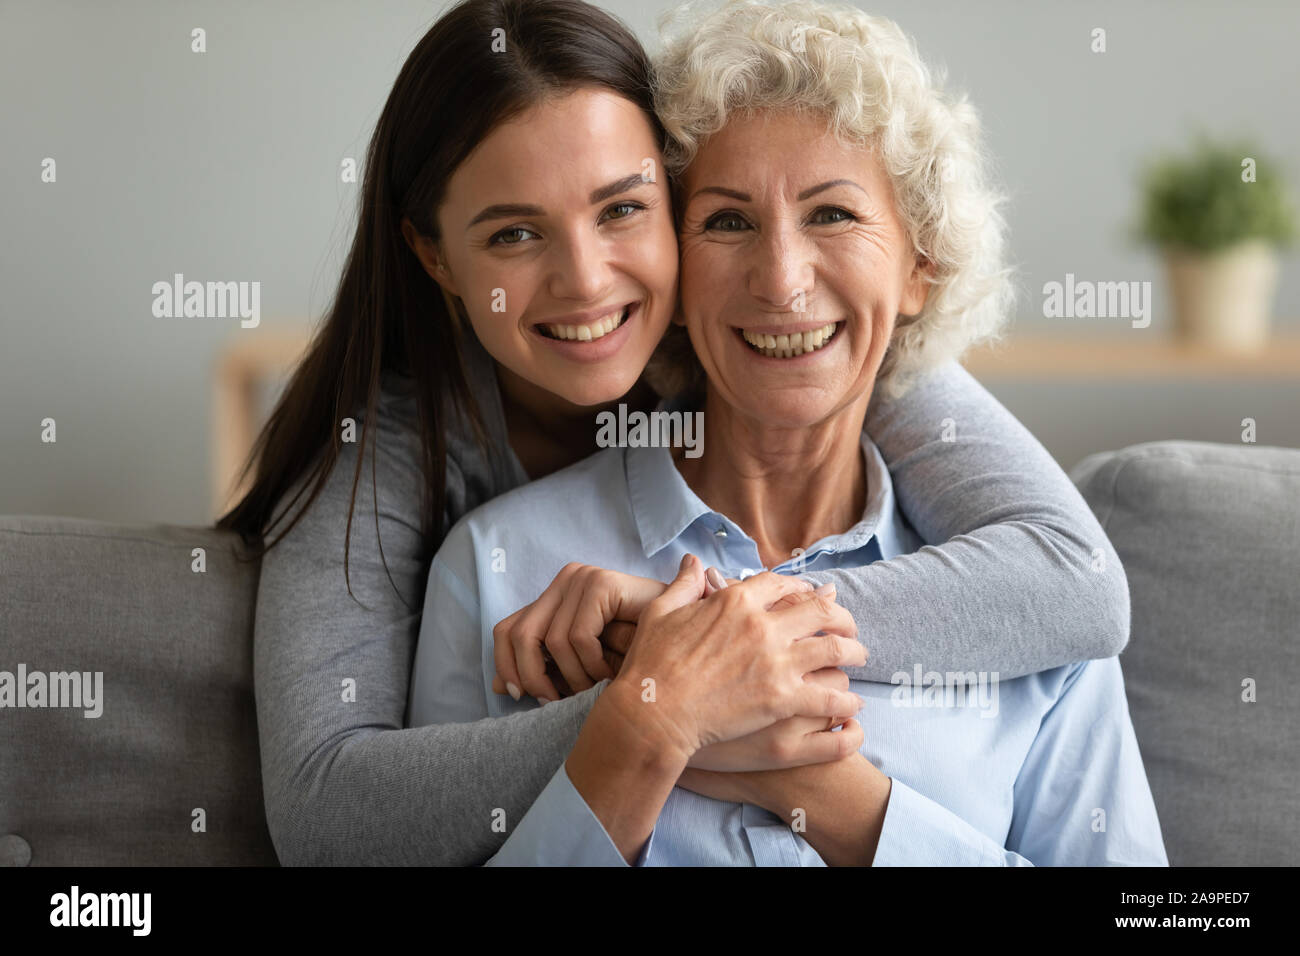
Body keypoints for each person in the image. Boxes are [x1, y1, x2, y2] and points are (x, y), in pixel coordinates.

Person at [219, 0, 1130, 866]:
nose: (586, 281)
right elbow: (330, 815)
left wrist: (739, 666)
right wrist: (662, 703)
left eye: (620, 209)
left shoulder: (886, 406)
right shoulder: (444, 514)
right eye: (513, 235)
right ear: (433, 255)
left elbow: (1081, 587)